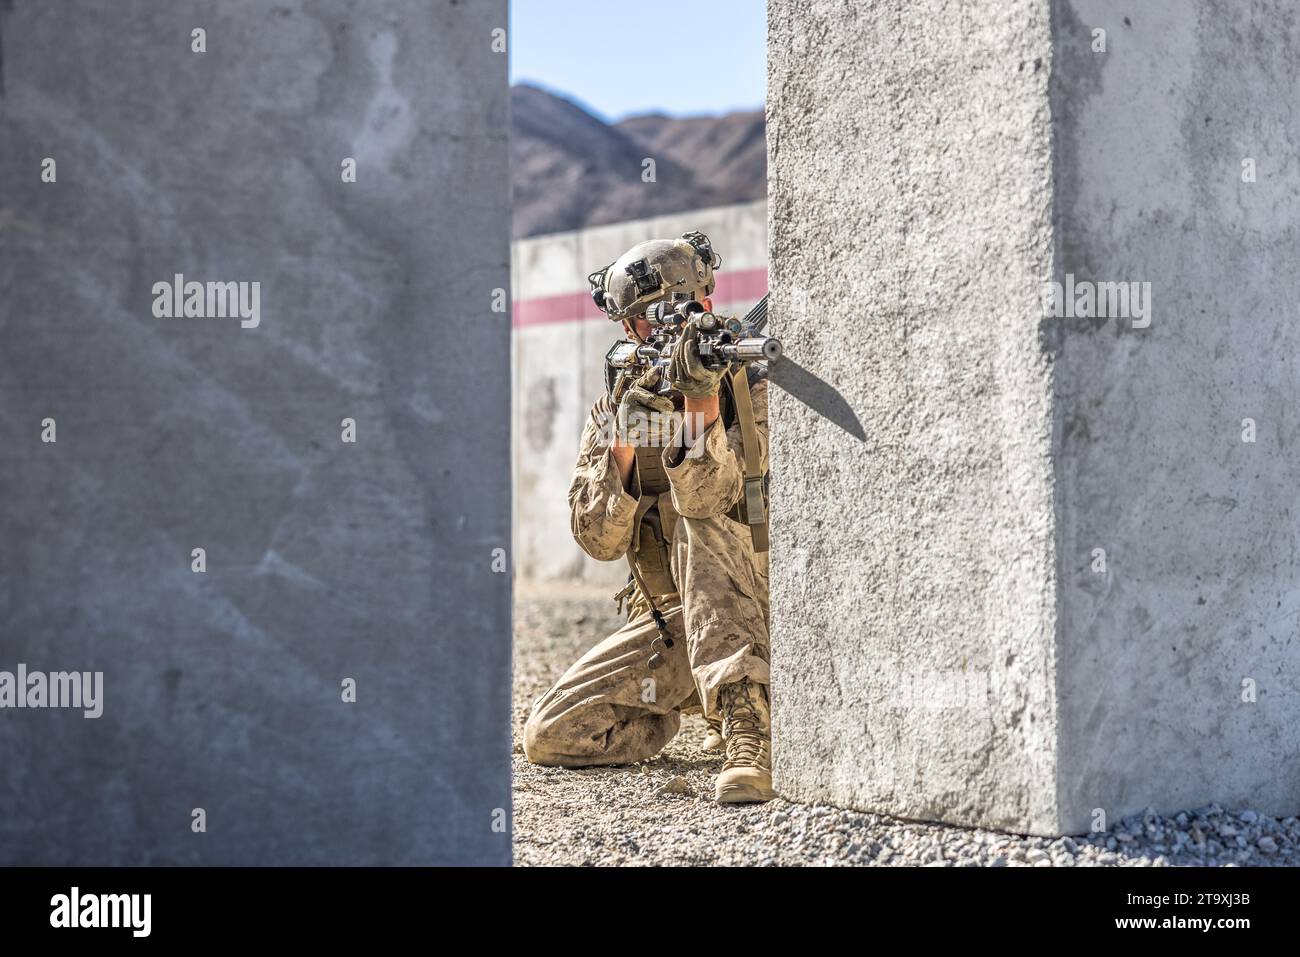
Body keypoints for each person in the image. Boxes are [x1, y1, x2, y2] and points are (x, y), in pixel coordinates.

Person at [522, 231, 774, 803]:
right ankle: (698, 700)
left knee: (696, 518)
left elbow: (712, 499)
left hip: (767, 608)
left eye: (669, 315)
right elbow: (598, 540)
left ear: (703, 303)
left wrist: (702, 401)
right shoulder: (623, 400)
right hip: (681, 623)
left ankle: (747, 725)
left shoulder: (750, 390)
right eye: (640, 324)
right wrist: (624, 442)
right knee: (552, 734)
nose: (649, 332)